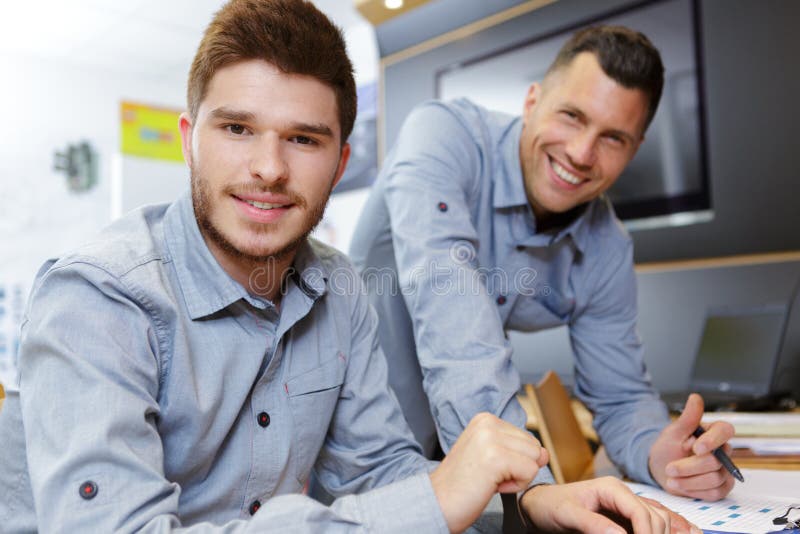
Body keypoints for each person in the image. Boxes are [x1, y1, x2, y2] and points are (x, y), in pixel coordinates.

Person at [0, 2, 692, 533]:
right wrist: (440, 497)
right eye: (237, 128)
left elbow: (380, 470)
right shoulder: (95, 298)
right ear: (190, 140)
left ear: (341, 161)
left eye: (303, 139)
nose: (269, 169)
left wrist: (530, 504)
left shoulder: (336, 289)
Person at [350, 25, 736, 501]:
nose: (581, 153)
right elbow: (454, 326)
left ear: (634, 150)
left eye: (613, 138)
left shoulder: (607, 248)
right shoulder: (443, 137)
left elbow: (621, 396)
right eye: (572, 116)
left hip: (445, 453)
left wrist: (664, 455)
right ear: (532, 101)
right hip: (350, 446)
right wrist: (533, 492)